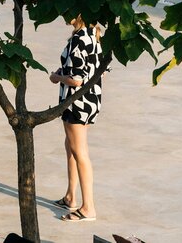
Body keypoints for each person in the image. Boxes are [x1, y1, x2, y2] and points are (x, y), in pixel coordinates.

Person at [50, 16, 105, 223]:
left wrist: (57, 78)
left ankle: (88, 207)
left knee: (80, 152)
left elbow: (76, 80)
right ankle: (71, 196)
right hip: (91, 100)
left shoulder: (79, 39)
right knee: (71, 146)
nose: (63, 13)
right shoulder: (95, 35)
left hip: (76, 102)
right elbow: (101, 71)